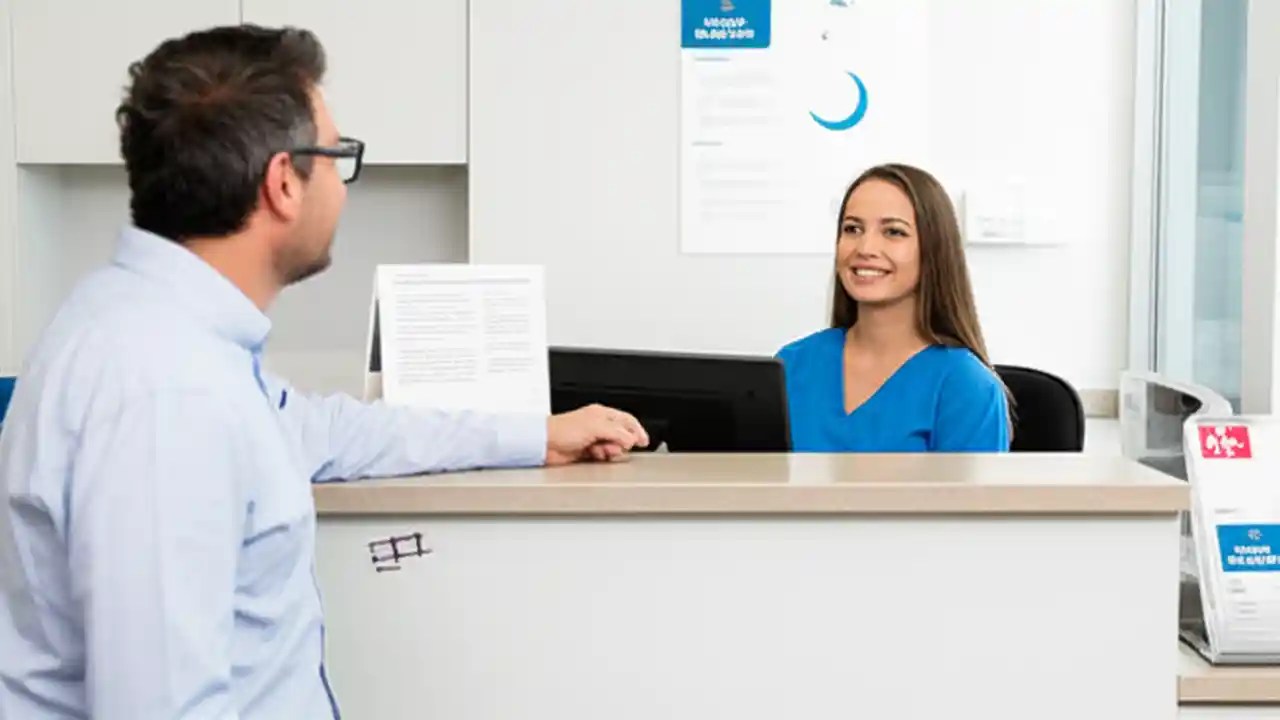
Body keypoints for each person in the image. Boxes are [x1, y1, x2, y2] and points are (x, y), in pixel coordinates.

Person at [0, 25, 648, 719]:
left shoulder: (159, 331)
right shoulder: (165, 393)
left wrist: (536, 436)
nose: (341, 186)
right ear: (284, 182)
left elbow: (324, 431)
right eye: (337, 158)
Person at [776, 163, 1011, 452]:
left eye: (893, 232)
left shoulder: (967, 386)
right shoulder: (791, 365)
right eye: (852, 229)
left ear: (933, 250)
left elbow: (971, 499)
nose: (865, 247)